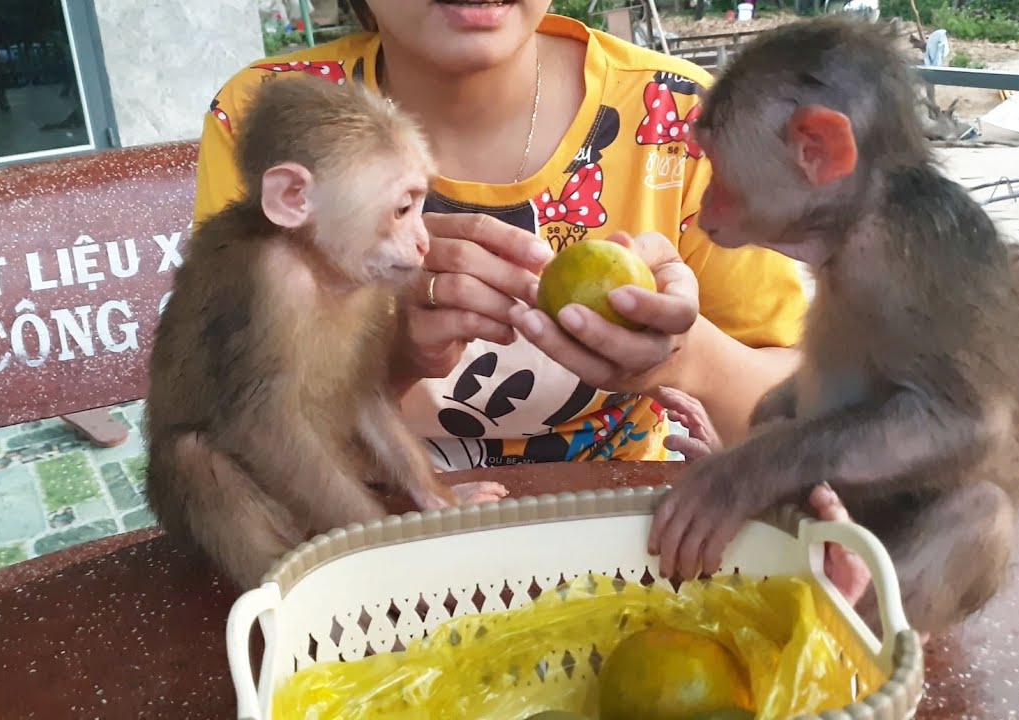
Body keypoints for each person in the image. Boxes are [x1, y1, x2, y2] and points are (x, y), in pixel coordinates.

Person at [193, 1, 870, 601]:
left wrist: (687, 359)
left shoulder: (680, 122)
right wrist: (387, 357)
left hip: (642, 540)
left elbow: (816, 412)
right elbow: (247, 432)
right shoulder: (276, 124)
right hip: (378, 554)